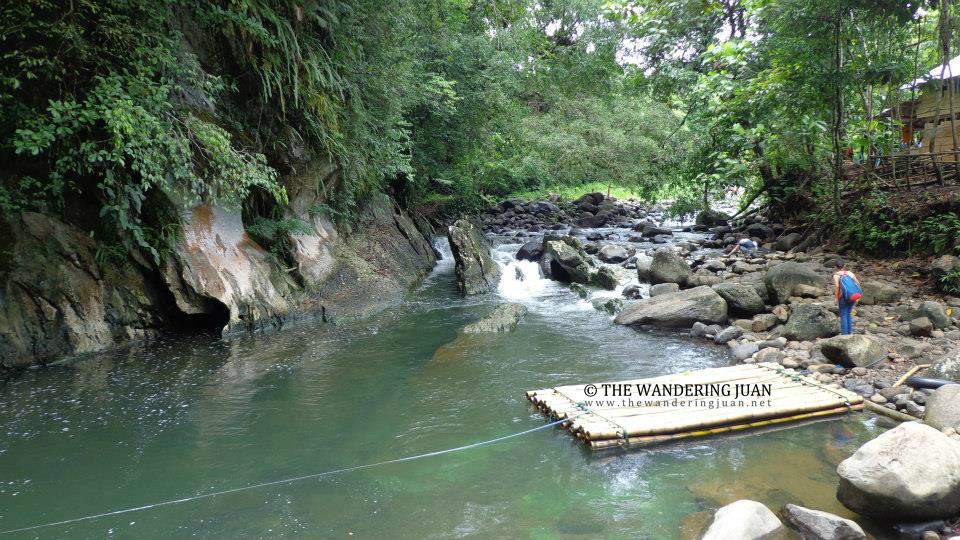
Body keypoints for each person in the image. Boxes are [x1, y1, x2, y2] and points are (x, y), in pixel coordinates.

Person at [833, 259, 861, 335]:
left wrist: (836, 298)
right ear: (844, 266)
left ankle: (845, 334)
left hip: (843, 297)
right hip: (852, 296)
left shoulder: (836, 275)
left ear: (836, 267)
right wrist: (858, 296)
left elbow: (837, 287)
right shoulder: (850, 273)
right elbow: (858, 283)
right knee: (848, 313)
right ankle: (849, 332)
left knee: (843, 315)